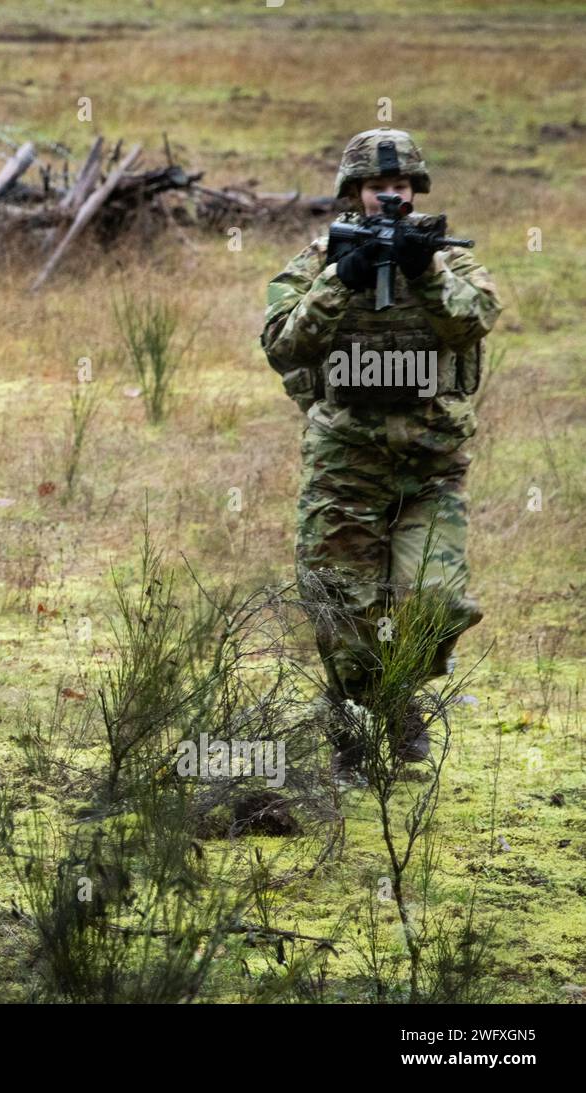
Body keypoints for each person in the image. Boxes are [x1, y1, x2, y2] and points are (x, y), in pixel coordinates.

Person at [260, 128, 502, 783]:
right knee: (346, 615)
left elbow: (473, 321)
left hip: (430, 471)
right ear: (354, 193)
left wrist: (423, 272)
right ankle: (354, 726)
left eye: (399, 187)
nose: (389, 197)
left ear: (415, 190)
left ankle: (397, 697)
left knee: (435, 602)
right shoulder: (322, 256)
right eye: (377, 188)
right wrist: (343, 276)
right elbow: (282, 343)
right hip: (346, 471)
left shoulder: (444, 255)